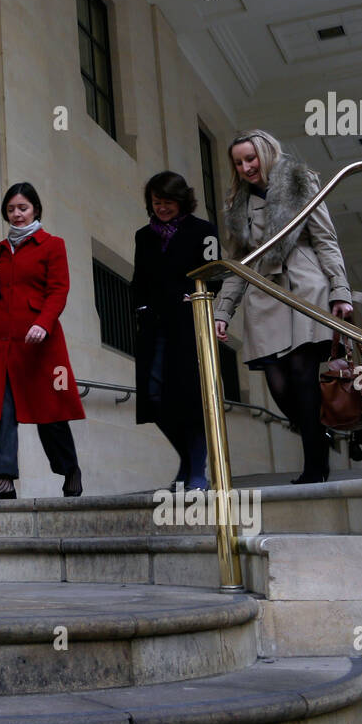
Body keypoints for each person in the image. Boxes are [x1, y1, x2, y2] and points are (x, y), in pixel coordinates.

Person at [213, 130, 353, 483]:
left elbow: (325, 239)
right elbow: (239, 262)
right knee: (279, 386)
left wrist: (340, 290)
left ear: (265, 153)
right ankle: (318, 435)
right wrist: (222, 311)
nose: (245, 167)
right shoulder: (237, 205)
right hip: (264, 295)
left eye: (251, 158)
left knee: (303, 375)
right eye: (239, 162)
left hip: (305, 287)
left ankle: (315, 465)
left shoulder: (300, 182)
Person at [0, 183, 85, 499]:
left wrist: (43, 323)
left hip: (40, 346)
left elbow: (58, 290)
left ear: (35, 208)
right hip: (2, 344)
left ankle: (70, 469)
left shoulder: (52, 245)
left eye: (22, 208)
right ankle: (4, 480)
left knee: (51, 412)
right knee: (0, 414)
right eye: (11, 209)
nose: (16, 214)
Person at [131, 171, 218, 490]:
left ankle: (197, 470)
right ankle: (186, 459)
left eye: (168, 202)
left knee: (190, 399)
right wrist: (140, 307)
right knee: (154, 398)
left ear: (181, 200)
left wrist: (197, 297)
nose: (162, 208)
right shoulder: (143, 236)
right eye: (156, 203)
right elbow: (138, 278)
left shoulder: (204, 231)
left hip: (189, 325)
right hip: (154, 326)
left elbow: (215, 275)